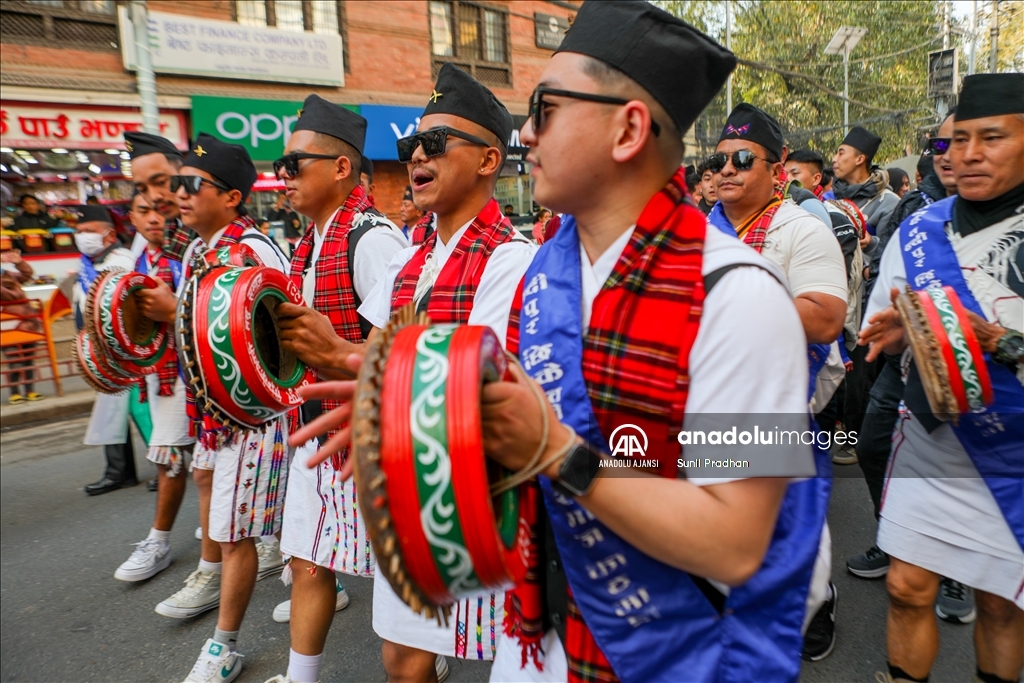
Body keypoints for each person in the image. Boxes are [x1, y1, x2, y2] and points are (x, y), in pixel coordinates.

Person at [295, 62, 537, 683]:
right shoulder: (411, 260)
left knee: (503, 659)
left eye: (434, 143)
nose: (415, 157)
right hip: (406, 483)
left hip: (474, 496)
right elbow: (376, 351)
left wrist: (339, 354)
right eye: (409, 147)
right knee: (402, 659)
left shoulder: (511, 259)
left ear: (488, 161)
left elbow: (474, 387)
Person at [860, 72, 1024, 683]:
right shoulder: (920, 228)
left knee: (1002, 605)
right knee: (905, 587)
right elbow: (903, 310)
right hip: (934, 434)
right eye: (958, 141)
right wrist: (906, 330)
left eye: (992, 138)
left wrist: (998, 342)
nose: (969, 154)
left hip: (1015, 450)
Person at [262, 94, 409, 683]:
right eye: (282, 166)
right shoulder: (308, 242)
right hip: (318, 435)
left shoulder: (372, 240)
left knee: (398, 574)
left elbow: (402, 352)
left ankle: (422, 655)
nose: (283, 177)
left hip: (370, 444)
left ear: (341, 168)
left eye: (294, 165)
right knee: (309, 563)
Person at [135, 133, 290, 683]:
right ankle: (319, 576)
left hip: (253, 416)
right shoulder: (199, 249)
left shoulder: (255, 250)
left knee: (235, 530)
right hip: (216, 415)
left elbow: (275, 330)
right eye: (177, 184)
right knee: (254, 523)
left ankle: (223, 647)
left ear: (230, 197)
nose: (179, 194)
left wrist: (175, 308)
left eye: (191, 185)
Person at [708, 103, 847, 663]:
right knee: (724, 509)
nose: (728, 170)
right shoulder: (695, 229)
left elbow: (825, 316)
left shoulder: (801, 229)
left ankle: (816, 605)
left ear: (779, 166)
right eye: (718, 161)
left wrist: (729, 305)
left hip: (777, 395)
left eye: (743, 159)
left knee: (787, 519)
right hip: (711, 392)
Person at [850, 108, 977, 624]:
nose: (953, 155)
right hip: (903, 369)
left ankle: (956, 571)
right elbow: (886, 272)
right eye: (942, 145)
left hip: (983, 383)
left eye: (966, 142)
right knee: (872, 446)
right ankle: (897, 537)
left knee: (967, 474)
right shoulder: (916, 211)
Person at [111, 192, 191, 581]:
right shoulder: (139, 261)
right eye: (145, 211)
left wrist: (174, 307)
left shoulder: (187, 254)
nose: (155, 218)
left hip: (189, 372)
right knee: (206, 467)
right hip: (160, 376)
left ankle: (158, 542)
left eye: (161, 210)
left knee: (171, 458)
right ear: (132, 218)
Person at [73, 204, 141, 496]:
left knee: (143, 411)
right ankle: (119, 472)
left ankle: (171, 464)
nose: (82, 237)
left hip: (121, 346)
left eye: (88, 231)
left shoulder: (121, 260)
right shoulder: (86, 263)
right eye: (78, 232)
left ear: (110, 234)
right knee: (112, 410)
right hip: (98, 346)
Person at [125, 131, 197, 261]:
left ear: (184, 173)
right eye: (143, 189)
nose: (154, 197)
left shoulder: (209, 233)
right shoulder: (169, 236)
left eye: (160, 182)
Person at [0, 248, 43, 403]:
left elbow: (26, 275)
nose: (5, 255)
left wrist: (19, 263)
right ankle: (14, 393)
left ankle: (30, 391)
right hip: (8, 327)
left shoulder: (8, 275)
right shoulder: (7, 278)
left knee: (28, 359)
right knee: (14, 360)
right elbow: (11, 295)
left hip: (28, 324)